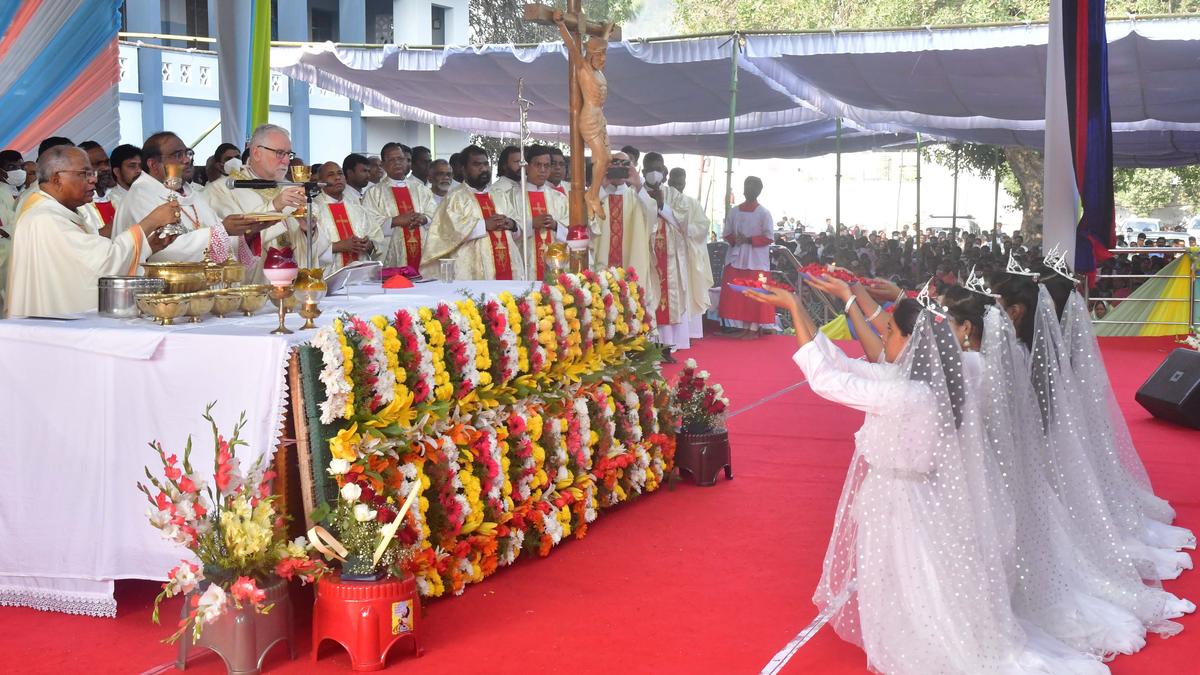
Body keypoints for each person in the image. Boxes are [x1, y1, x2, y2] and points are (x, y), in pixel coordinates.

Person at [747, 283, 1109, 675]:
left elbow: (827, 381)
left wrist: (796, 305)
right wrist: (798, 311)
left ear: (913, 341)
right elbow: (841, 365)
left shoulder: (910, 395)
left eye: (889, 332)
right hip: (910, 494)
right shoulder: (920, 383)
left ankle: (929, 641)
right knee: (913, 576)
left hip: (904, 500)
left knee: (916, 574)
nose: (882, 337)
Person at [5, 145, 180, 317]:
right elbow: (103, 264)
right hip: (55, 328)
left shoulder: (62, 211)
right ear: (57, 179)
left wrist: (148, 245)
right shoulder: (44, 218)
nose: (93, 179)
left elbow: (93, 256)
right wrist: (151, 221)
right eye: (85, 173)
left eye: (92, 173)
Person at [204, 123, 331, 281]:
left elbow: (323, 252)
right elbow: (225, 245)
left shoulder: (293, 189)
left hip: (295, 292)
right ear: (256, 153)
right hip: (253, 294)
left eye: (288, 154)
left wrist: (309, 231)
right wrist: (274, 206)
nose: (286, 161)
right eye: (279, 153)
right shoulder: (222, 191)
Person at [112, 131, 236, 264]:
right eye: (178, 155)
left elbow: (218, 227)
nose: (187, 160)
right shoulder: (140, 197)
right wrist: (221, 231)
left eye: (187, 153)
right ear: (153, 165)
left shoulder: (190, 194)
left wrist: (244, 235)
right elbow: (164, 250)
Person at [420, 144, 523, 280]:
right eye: (476, 164)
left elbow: (519, 228)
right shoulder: (455, 197)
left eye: (486, 164)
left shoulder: (499, 195)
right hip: (471, 271)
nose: (483, 169)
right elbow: (447, 233)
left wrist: (512, 224)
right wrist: (483, 225)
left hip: (508, 266)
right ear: (463, 169)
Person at [588, 151, 657, 311]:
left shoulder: (638, 197)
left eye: (624, 164)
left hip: (631, 263)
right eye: (615, 163)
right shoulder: (598, 196)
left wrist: (639, 184)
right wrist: (602, 184)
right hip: (602, 267)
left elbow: (653, 219)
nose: (619, 167)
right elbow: (586, 219)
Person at [642, 152, 693, 353]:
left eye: (659, 169)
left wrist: (662, 204)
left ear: (664, 171)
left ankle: (669, 345)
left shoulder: (674, 195)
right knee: (648, 295)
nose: (655, 173)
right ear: (643, 171)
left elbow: (683, 224)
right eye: (650, 169)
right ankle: (647, 344)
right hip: (647, 255)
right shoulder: (635, 193)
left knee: (668, 298)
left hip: (669, 258)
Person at [660, 163, 713, 340]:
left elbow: (703, 227)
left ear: (685, 183)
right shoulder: (662, 198)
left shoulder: (692, 203)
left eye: (680, 183)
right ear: (668, 180)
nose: (677, 186)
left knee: (687, 291)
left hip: (686, 254)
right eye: (674, 182)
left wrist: (687, 229)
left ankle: (689, 332)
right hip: (665, 254)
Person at [365, 142, 437, 270]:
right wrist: (395, 221)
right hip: (391, 258)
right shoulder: (374, 193)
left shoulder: (421, 190)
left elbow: (434, 214)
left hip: (423, 256)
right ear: (383, 165)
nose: (397, 163)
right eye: (392, 160)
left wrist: (424, 218)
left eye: (400, 159)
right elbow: (367, 223)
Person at [717, 176, 774, 339]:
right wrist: (736, 239)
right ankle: (743, 327)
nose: (750, 190)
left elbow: (769, 237)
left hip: (756, 259)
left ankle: (754, 329)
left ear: (759, 191)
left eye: (753, 187)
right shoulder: (734, 211)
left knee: (755, 293)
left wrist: (748, 240)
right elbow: (727, 233)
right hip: (737, 257)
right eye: (747, 186)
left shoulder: (764, 213)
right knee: (739, 294)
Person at [312, 161, 384, 274]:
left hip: (361, 277)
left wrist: (369, 244)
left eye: (340, 173)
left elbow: (377, 237)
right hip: (328, 278)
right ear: (320, 182)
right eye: (331, 175)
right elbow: (304, 248)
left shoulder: (357, 208)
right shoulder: (313, 209)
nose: (337, 178)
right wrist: (337, 247)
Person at [518, 146, 569, 280]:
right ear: (527, 167)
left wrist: (556, 226)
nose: (542, 170)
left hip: (555, 267)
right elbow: (508, 231)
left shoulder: (559, 199)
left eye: (546, 166)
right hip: (525, 267)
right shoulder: (512, 197)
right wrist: (531, 224)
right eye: (538, 165)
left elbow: (571, 233)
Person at [78, 141, 118, 236]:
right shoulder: (78, 206)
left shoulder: (118, 197)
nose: (106, 168)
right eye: (97, 164)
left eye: (107, 162)